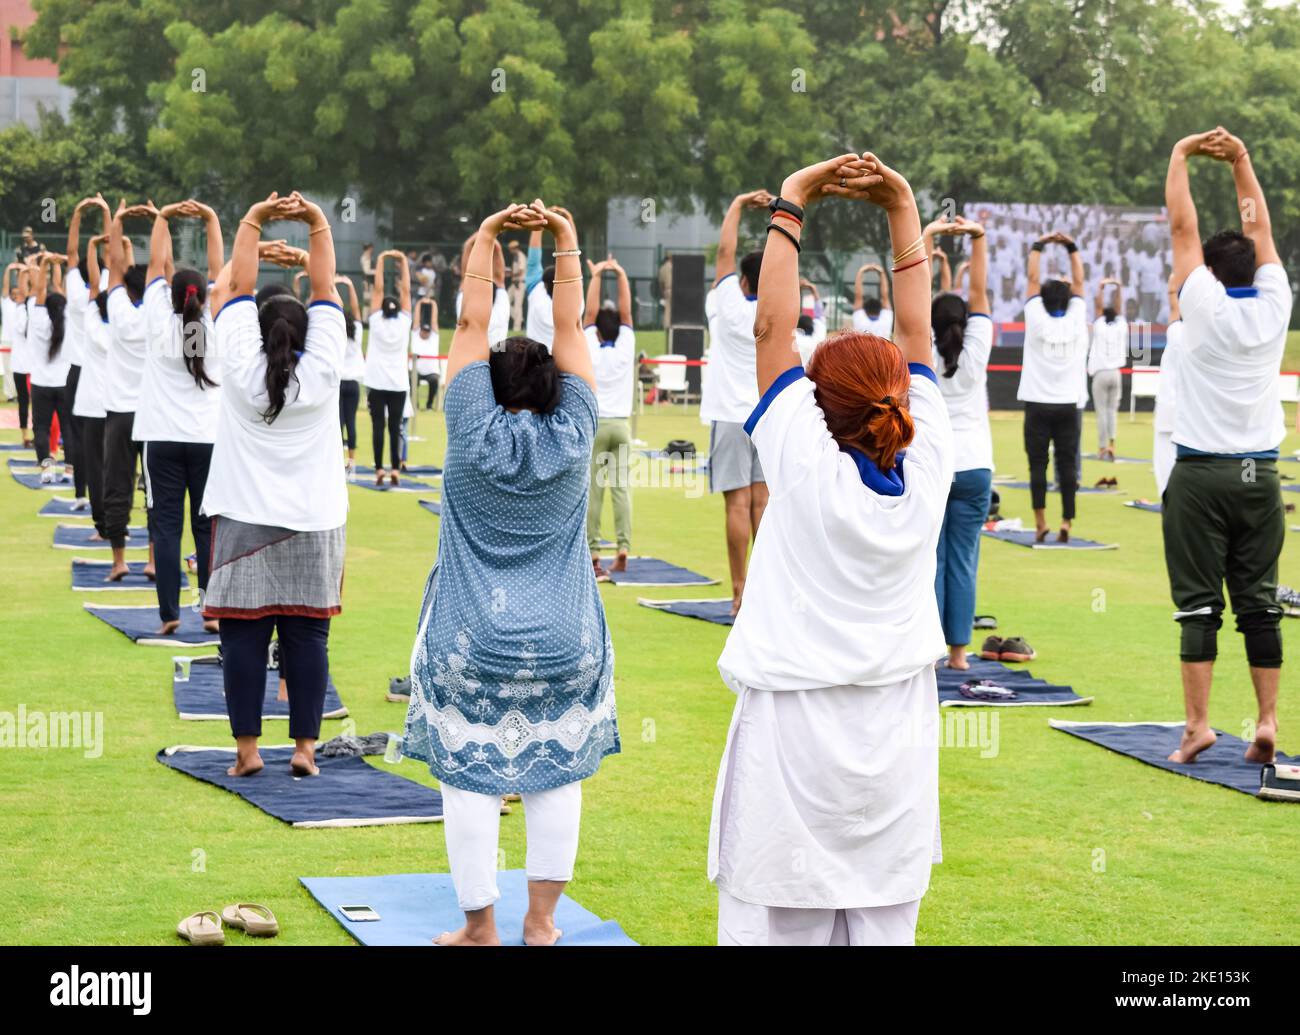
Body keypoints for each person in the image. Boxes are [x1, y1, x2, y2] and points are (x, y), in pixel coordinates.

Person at [708, 152, 951, 946]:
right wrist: (901, 206)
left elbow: (771, 328)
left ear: (818, 404)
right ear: (902, 399)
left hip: (792, 743)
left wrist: (793, 200)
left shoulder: (804, 464)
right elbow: (916, 330)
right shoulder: (931, 465)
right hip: (896, 748)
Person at [402, 200, 619, 947]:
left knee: (468, 782)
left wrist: (489, 237)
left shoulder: (468, 426)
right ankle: (542, 922)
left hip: (471, 642)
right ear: (556, 389)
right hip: (565, 641)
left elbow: (469, 325)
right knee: (556, 780)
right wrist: (565, 238)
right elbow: (570, 327)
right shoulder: (575, 429)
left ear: (490, 384)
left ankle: (481, 927)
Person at [201, 190, 348, 780]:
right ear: (308, 333)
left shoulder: (239, 365)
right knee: (308, 638)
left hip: (242, 519)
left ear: (259, 332)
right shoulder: (325, 367)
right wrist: (315, 222)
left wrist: (253, 219)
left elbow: (235, 285)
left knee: (243, 641)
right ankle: (306, 752)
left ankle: (247, 752)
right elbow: (327, 289)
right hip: (314, 520)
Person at [1161, 127, 1290, 765]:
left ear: (1210, 273)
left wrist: (1182, 154)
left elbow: (1183, 230)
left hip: (1200, 475)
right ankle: (1266, 721)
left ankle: (1198, 727)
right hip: (1260, 477)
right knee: (1259, 604)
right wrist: (1240, 159)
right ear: (1255, 269)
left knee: (1198, 605)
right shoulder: (1275, 305)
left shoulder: (1199, 308)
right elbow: (1259, 228)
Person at [136, 199, 225, 636]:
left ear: (171, 295)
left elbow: (155, 261)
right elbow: (221, 268)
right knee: (206, 527)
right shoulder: (214, 323)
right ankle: (210, 610)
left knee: (166, 527)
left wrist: (162, 217)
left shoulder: (156, 317)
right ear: (204, 296)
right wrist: (209, 219)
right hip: (207, 439)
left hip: (162, 438)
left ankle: (169, 614)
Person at [703, 188, 774, 615]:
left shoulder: (727, 301)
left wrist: (737, 205)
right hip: (767, 415)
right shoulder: (778, 307)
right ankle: (763, 590)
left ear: (743, 281)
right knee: (762, 503)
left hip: (729, 416)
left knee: (737, 504)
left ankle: (739, 590)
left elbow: (724, 253)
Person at [928, 216, 994, 671]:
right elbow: (981, 295)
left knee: (928, 558)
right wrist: (979, 240)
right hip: (974, 468)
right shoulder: (977, 349)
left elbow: (907, 295)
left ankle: (929, 650)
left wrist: (927, 236)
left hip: (931, 464)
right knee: (963, 560)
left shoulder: (919, 346)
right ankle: (959, 654)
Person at [1017, 230, 1087, 543]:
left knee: (1037, 465)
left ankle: (1040, 522)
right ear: (1069, 299)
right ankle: (1067, 523)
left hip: (1036, 403)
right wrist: (1071, 246)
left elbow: (1032, 280)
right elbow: (1081, 283)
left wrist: (1039, 245)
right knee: (1067, 465)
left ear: (1042, 299)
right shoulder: (1077, 316)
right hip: (1068, 404)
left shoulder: (1035, 317)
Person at [104, 201, 155, 581]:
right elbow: (162, 268)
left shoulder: (118, 308)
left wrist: (117, 219)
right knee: (156, 491)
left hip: (120, 413)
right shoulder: (158, 309)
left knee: (117, 485)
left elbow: (113, 264)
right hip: (153, 415)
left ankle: (119, 560)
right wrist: (160, 221)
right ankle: (154, 561)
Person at [584, 255, 635, 575]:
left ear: (599, 331)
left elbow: (589, 312)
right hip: (622, 425)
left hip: (596, 425)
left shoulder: (589, 342)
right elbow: (627, 311)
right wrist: (620, 272)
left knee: (594, 491)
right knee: (621, 490)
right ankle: (623, 547)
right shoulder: (627, 342)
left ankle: (592, 554)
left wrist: (598, 275)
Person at [62, 196, 111, 508]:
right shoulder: (106, 287)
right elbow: (111, 248)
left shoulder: (77, 292)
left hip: (79, 370)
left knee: (79, 439)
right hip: (102, 372)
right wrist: (106, 211)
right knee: (107, 443)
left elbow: (71, 253)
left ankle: (82, 496)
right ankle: (103, 497)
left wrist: (78, 213)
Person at [365, 249, 412, 485]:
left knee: (377, 428)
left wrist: (381, 261)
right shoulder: (405, 322)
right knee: (395, 428)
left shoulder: (375, 321)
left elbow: (378, 289)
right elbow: (406, 290)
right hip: (398, 384)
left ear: (381, 308)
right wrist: (402, 261)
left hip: (375, 382)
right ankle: (395, 469)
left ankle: (379, 470)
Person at [78, 234, 114, 540]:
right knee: (117, 471)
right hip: (119, 406)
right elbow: (106, 283)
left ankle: (103, 528)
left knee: (95, 468)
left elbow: (94, 285)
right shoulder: (127, 325)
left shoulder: (92, 323)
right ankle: (117, 526)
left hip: (93, 405)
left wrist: (92, 245)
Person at [26, 252, 72, 483]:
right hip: (64, 383)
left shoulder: (37, 319)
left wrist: (44, 263)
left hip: (41, 383)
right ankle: (70, 469)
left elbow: (41, 290)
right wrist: (59, 268)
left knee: (41, 427)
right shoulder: (69, 322)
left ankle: (46, 468)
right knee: (68, 427)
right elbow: (57, 292)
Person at [523, 207, 575, 348]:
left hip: (534, 364)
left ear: (545, 284)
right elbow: (572, 255)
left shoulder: (536, 293)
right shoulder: (574, 301)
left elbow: (533, 257)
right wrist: (567, 219)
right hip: (562, 365)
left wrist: (540, 219)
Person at [1088, 277, 1128, 461]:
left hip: (1101, 374)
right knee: (1112, 412)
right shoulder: (1121, 326)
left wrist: (1101, 288)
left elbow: (1098, 307)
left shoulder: (1099, 326)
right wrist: (1118, 287)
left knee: (1102, 412)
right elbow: (1119, 307)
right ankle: (1112, 444)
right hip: (1116, 374)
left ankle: (1103, 447)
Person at [1152, 275, 1181, 496]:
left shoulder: (1177, 332)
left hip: (1169, 413)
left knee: (1166, 480)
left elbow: (1173, 307)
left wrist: (1173, 281)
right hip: (1192, 416)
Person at [336, 274, 364, 476]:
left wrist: (333, 285)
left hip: (338, 384)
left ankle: (337, 459)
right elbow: (356, 310)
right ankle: (351, 460)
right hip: (352, 384)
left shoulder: (335, 334)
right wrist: (350, 286)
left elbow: (334, 308)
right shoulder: (358, 334)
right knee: (351, 421)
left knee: (338, 422)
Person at [6, 263, 33, 447]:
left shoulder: (26, 309)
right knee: (25, 402)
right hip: (25, 366)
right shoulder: (20, 311)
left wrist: (26, 272)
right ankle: (26, 435)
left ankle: (33, 435)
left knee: (30, 403)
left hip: (27, 365)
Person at [852, 263, 893, 339]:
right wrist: (881, 273)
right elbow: (885, 296)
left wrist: (861, 271)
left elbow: (858, 295)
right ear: (880, 309)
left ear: (865, 310)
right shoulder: (886, 320)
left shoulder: (860, 320)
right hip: (884, 351)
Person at [413, 296, 440, 409]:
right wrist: (419, 303)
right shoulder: (415, 335)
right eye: (423, 330)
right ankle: (414, 403)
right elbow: (416, 319)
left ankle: (429, 404)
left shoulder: (433, 337)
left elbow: (434, 321)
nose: (425, 333)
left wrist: (433, 303)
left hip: (431, 372)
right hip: (417, 371)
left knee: (434, 380)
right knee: (410, 379)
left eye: (427, 331)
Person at [506, 239, 527, 332]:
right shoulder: (515, 257)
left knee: (518, 305)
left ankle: (517, 328)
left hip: (520, 283)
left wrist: (511, 274)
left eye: (511, 249)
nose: (510, 251)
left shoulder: (521, 256)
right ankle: (520, 320)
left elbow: (521, 271)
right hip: (514, 283)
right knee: (505, 302)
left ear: (515, 248)